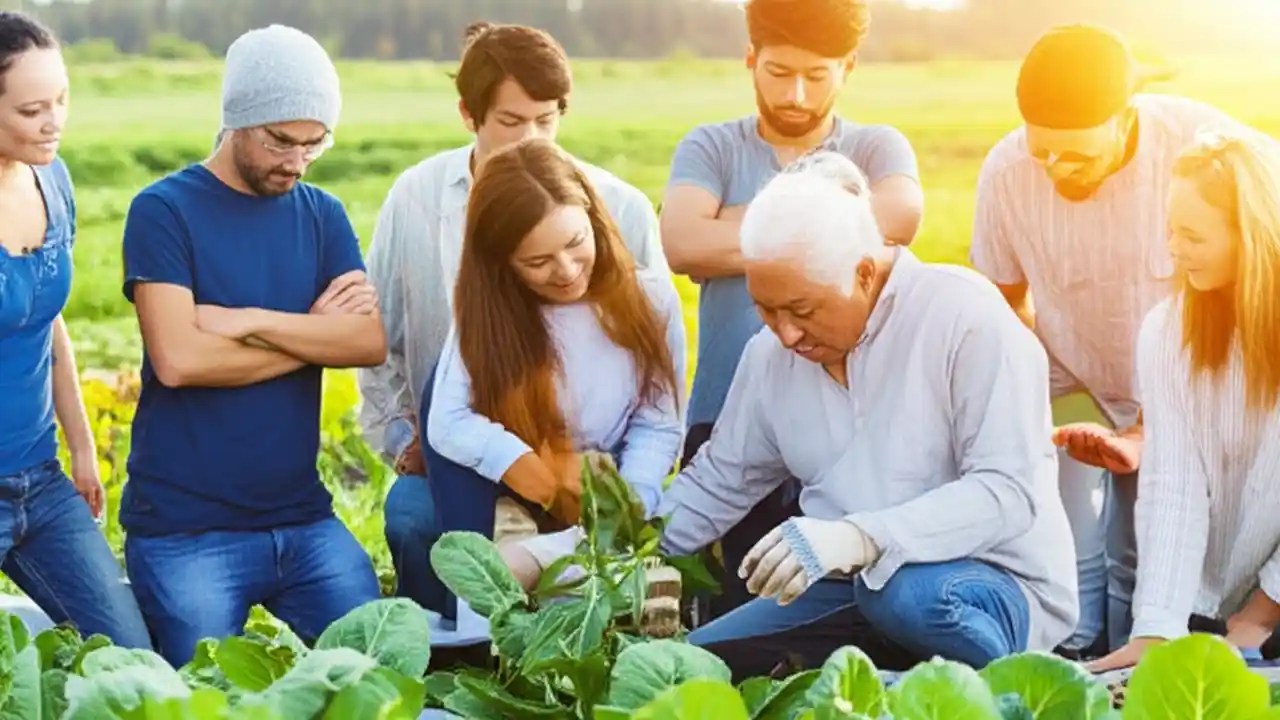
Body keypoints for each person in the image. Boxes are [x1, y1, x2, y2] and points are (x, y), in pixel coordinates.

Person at [643, 152, 1076, 678]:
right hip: (849, 584)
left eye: (802, 310)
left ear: (865, 273)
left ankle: (1015, 691)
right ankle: (897, 687)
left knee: (902, 595)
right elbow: (721, 478)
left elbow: (1008, 491)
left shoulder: (966, 319)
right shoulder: (769, 358)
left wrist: (860, 537)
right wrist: (605, 560)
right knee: (692, 665)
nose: (785, 333)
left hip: (988, 584)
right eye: (765, 308)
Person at [357, 21, 671, 612]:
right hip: (460, 449)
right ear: (468, 115)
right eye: (512, 121)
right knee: (413, 519)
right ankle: (449, 655)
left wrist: (615, 483)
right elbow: (383, 342)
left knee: (590, 560)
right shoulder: (416, 199)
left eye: (547, 120)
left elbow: (652, 371)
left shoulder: (618, 208)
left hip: (587, 461)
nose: (534, 139)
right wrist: (408, 442)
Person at [969, 23, 1245, 656]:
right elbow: (1002, 306)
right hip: (1070, 378)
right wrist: (1029, 414)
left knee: (1145, 548)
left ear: (1125, 119)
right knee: (1066, 554)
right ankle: (1075, 663)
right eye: (1045, 152)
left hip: (1187, 383)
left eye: (1078, 154)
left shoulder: (1202, 148)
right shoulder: (1008, 172)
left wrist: (1153, 426)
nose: (1057, 169)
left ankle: (1140, 667)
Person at [119, 25, 385, 665]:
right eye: (280, 142)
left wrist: (243, 320)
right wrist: (311, 336)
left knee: (382, 668)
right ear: (236, 120)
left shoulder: (322, 213)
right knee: (202, 695)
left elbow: (368, 340)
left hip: (303, 518)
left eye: (314, 145)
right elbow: (180, 362)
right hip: (186, 532)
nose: (296, 162)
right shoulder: (164, 211)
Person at [659, 0, 922, 618]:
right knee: (732, 602)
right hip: (724, 415)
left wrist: (730, 223)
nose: (797, 94)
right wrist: (831, 222)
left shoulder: (878, 145)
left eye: (817, 75)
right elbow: (681, 242)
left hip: (844, 418)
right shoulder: (713, 147)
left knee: (832, 600)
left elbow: (902, 218)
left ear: (848, 67)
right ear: (750, 59)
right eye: (778, 73)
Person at [421, 137, 684, 620]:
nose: (565, 271)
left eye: (575, 244)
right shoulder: (489, 313)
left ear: (594, 220)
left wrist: (630, 502)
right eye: (537, 262)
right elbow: (447, 421)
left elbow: (659, 420)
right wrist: (535, 472)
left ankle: (578, 566)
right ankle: (480, 619)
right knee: (474, 573)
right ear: (502, 264)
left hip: (607, 484)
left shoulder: (651, 300)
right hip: (517, 484)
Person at [1089, 131, 1280, 671]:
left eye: (1192, 234)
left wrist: (1262, 616)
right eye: (1171, 229)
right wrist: (1157, 629)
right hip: (1208, 599)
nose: (1173, 248)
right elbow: (1172, 485)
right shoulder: (1168, 332)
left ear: (1252, 234)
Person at [0, 11, 150, 648]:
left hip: (41, 481)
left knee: (137, 663)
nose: (54, 120)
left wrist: (82, 445)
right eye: (33, 110)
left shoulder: (52, 180)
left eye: (61, 100)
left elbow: (44, 316)